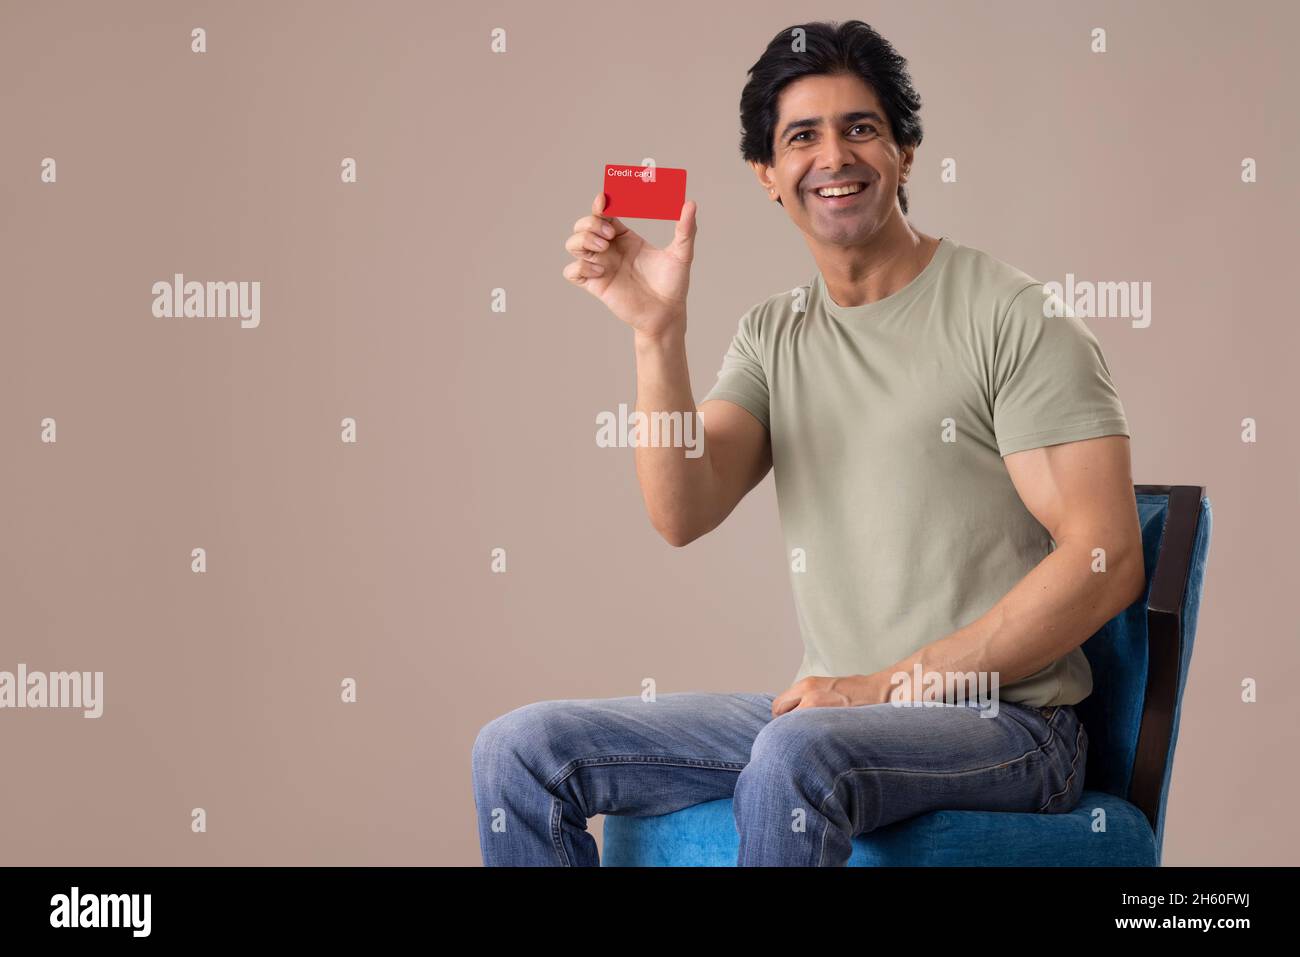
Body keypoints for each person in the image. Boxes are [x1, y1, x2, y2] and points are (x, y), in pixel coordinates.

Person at [473, 19, 1144, 866]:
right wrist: (656, 333)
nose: (835, 156)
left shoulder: (1011, 316)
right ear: (768, 175)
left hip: (1008, 723)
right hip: (833, 712)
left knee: (797, 754)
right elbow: (683, 508)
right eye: (802, 137)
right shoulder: (774, 333)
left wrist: (887, 687)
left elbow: (1107, 557)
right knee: (518, 750)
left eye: (861, 127)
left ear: (905, 151)